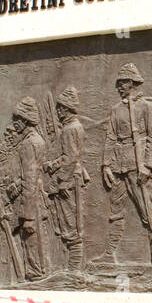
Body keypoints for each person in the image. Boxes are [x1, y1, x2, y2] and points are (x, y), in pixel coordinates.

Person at [101, 64, 152, 268]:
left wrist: (148, 166)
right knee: (116, 209)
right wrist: (106, 164)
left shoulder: (146, 107)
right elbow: (111, 137)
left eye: (122, 83)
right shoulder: (116, 109)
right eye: (118, 84)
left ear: (132, 83)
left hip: (138, 166)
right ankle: (109, 254)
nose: (119, 87)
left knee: (146, 210)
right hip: (119, 166)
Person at [45, 88, 91, 273]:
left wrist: (60, 178)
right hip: (71, 178)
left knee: (72, 226)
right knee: (70, 225)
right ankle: (74, 269)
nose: (57, 112)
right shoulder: (72, 127)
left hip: (69, 182)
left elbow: (70, 158)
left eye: (60, 109)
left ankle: (74, 272)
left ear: (66, 109)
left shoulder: (70, 128)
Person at [4, 97, 50, 280]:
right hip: (34, 197)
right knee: (37, 240)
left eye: (17, 119)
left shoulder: (29, 143)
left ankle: (36, 276)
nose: (14, 123)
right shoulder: (37, 140)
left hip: (31, 201)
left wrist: (27, 216)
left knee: (31, 239)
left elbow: (30, 179)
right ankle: (38, 273)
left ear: (25, 120)